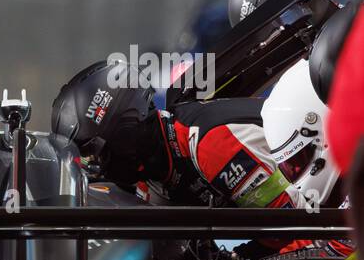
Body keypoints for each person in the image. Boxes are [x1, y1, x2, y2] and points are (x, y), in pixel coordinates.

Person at [52, 58, 334, 215]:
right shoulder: (152, 177)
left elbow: (293, 232)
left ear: (123, 136)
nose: (96, 167)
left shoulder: (209, 144)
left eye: (95, 154)